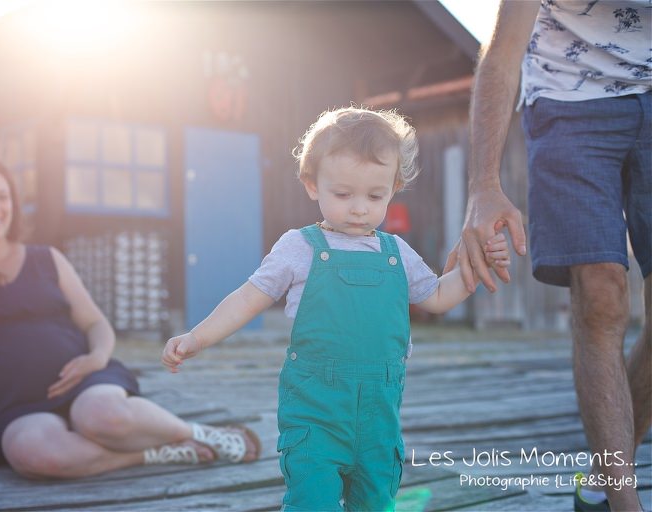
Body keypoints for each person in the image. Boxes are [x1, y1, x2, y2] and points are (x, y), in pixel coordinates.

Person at [162, 107, 511, 511]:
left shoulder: (396, 252)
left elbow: (436, 295)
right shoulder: (300, 247)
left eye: (375, 195)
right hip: (316, 412)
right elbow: (248, 297)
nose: (359, 208)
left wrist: (478, 262)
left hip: (378, 419)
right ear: (312, 184)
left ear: (394, 186)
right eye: (342, 194)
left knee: (376, 500)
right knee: (312, 500)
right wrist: (197, 337)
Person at [0, 155, 259, 479]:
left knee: (102, 417)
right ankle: (149, 454)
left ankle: (201, 435)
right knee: (34, 456)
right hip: (17, 404)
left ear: (13, 204)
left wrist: (95, 358)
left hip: (87, 381)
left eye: (2, 197)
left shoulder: (47, 258)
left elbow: (96, 323)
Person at [449, 2, 650, 511]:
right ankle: (619, 501)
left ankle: (603, 473)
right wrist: (483, 185)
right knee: (601, 291)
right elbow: (501, 53)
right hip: (568, 98)